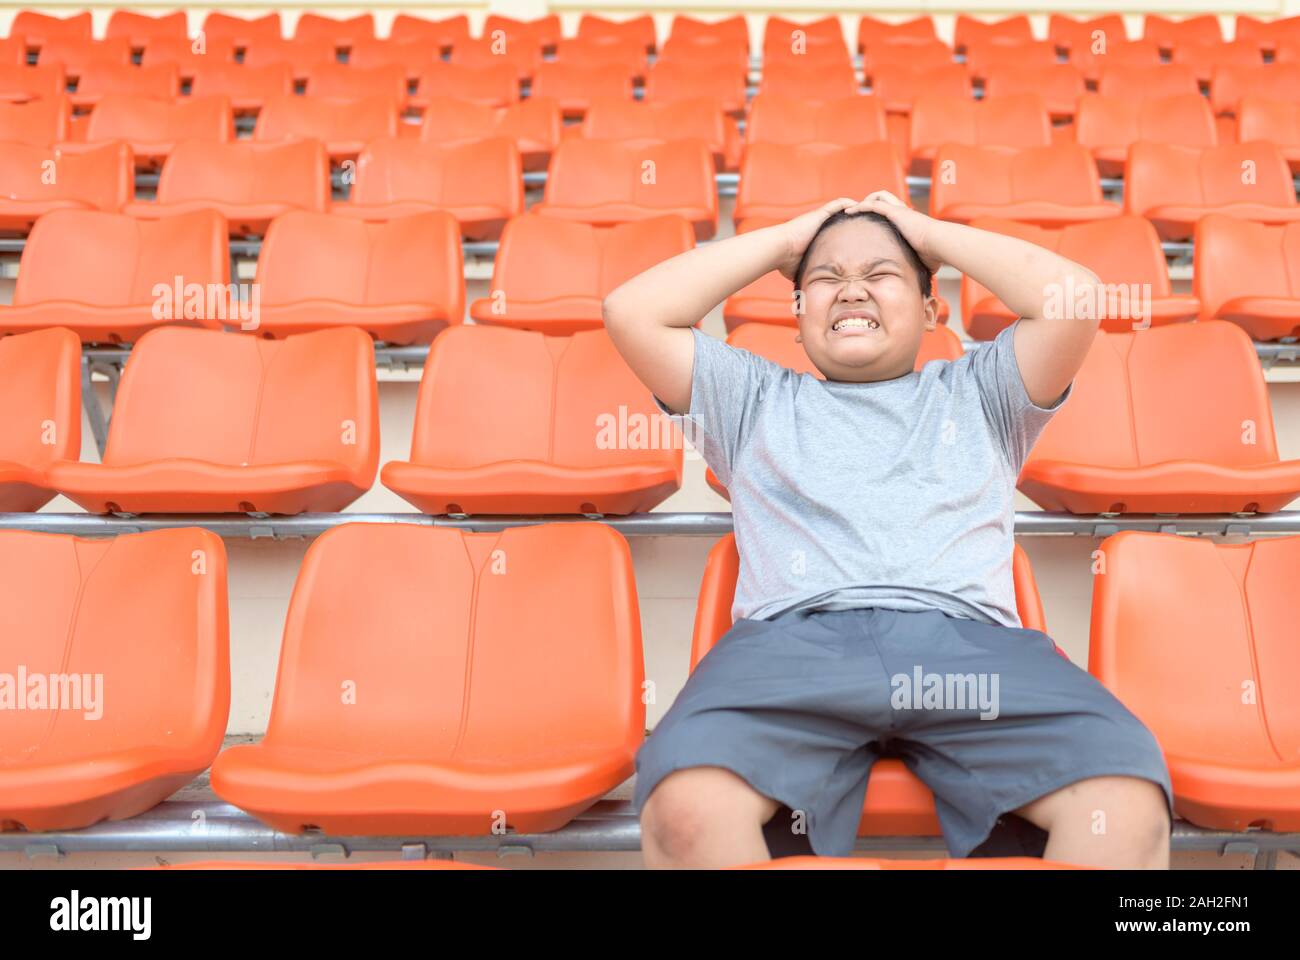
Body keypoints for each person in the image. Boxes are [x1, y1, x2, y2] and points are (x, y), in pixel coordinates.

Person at [602, 191, 1174, 869]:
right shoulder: (750, 400)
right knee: (685, 809)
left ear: (934, 309)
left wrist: (930, 233)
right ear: (796, 315)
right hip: (792, 650)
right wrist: (787, 239)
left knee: (1126, 806)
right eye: (825, 280)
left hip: (970, 648)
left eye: (880, 275)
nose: (851, 292)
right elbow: (630, 312)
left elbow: (1074, 297)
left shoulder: (983, 393)